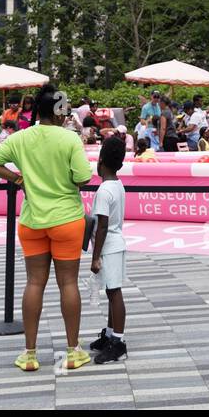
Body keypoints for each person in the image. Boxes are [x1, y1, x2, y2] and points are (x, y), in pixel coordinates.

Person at [0, 84, 94, 371]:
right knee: (68, 283)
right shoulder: (69, 139)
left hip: (32, 221)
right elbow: (83, 177)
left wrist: (19, 179)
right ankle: (73, 351)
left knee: (35, 283)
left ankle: (30, 354)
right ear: (60, 111)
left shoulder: (20, 138)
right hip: (67, 219)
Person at [88, 134, 129, 364]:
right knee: (112, 291)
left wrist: (95, 258)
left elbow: (102, 225)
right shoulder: (118, 185)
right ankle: (111, 333)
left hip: (109, 247)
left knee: (114, 293)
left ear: (100, 160)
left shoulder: (104, 190)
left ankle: (118, 342)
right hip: (117, 243)